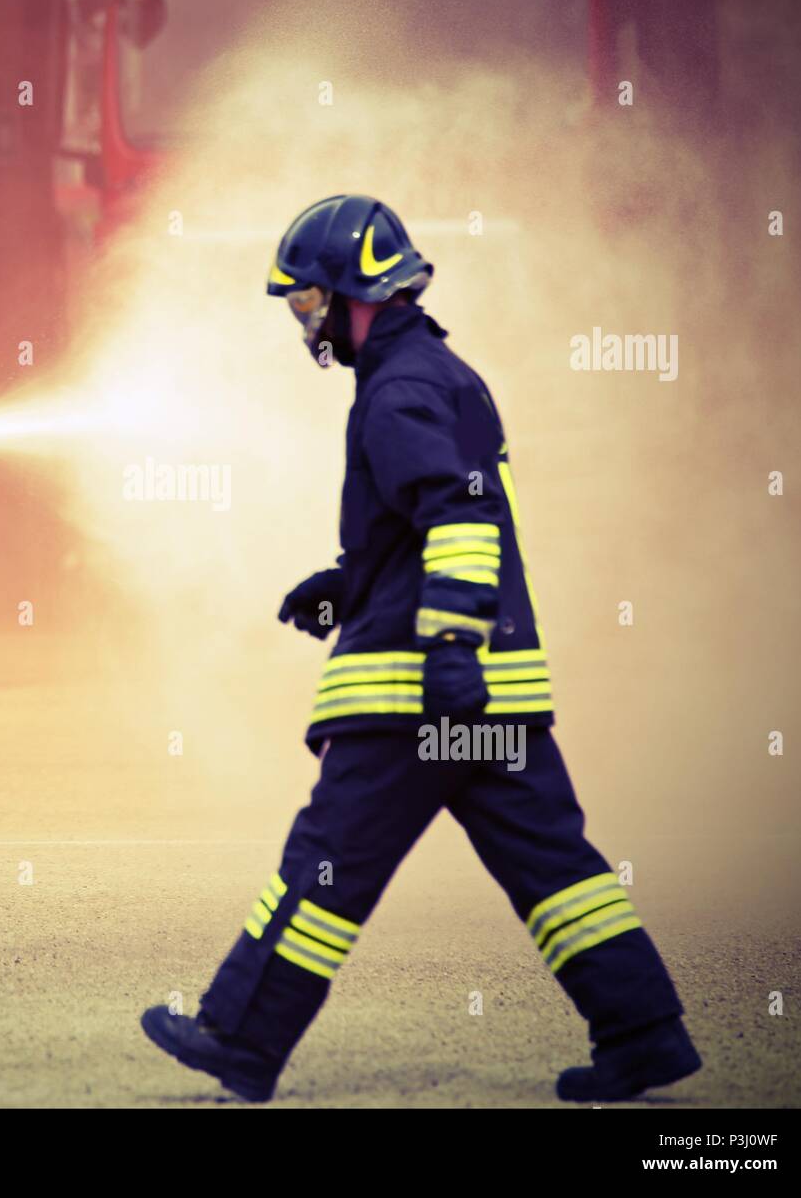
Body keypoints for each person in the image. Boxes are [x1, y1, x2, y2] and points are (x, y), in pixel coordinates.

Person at [140, 194, 700, 1103]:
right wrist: (351, 579)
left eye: (310, 304)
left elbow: (462, 512)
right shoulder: (443, 374)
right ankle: (646, 1033)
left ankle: (237, 1037)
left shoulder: (397, 391)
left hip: (413, 698)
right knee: (557, 867)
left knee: (322, 865)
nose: (308, 325)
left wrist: (442, 645)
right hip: (491, 696)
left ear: (358, 295)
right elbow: (432, 520)